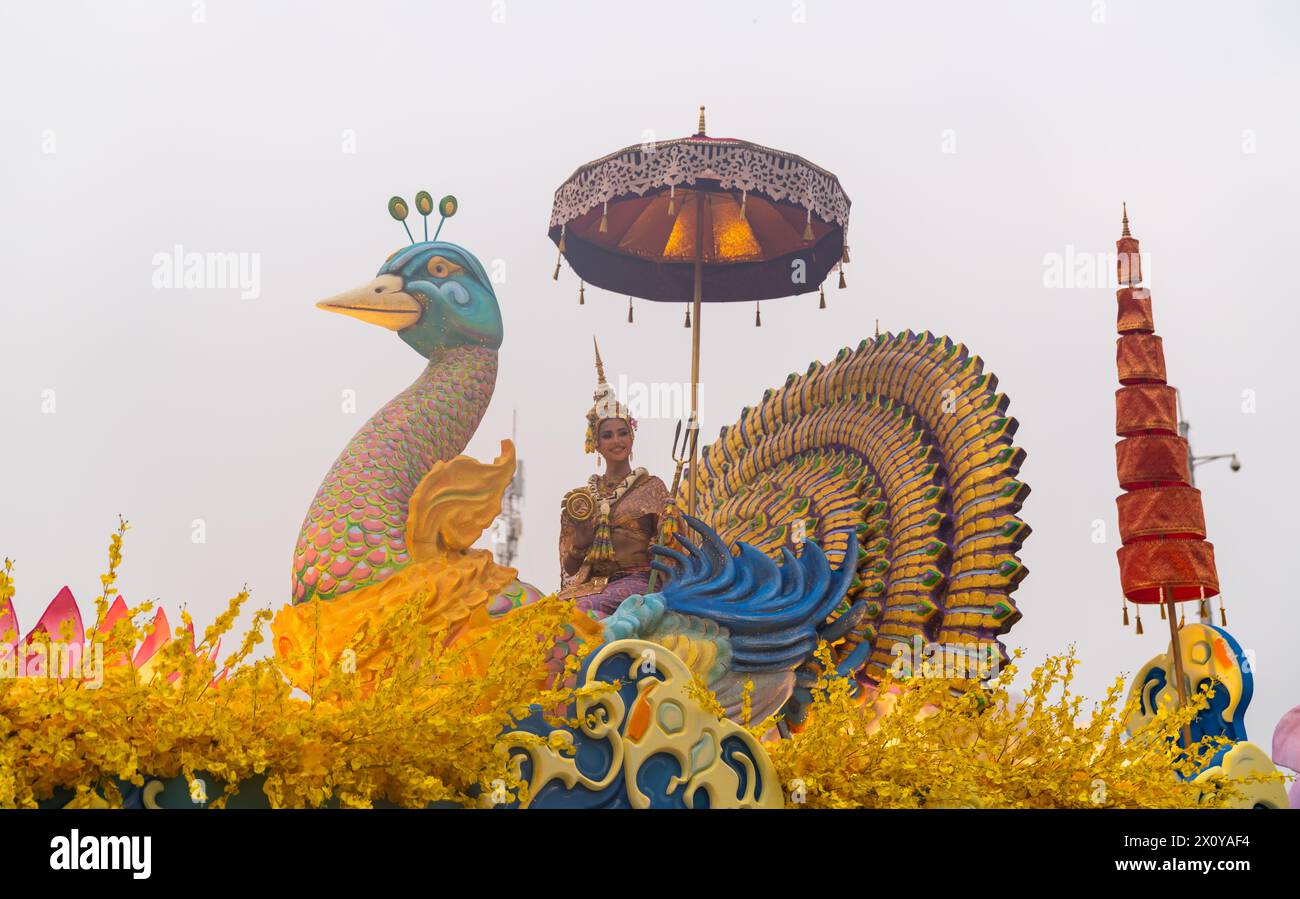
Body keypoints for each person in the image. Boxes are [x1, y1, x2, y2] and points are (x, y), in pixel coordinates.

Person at [556, 339, 668, 617]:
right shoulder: (581, 500)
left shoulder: (652, 488)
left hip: (639, 583)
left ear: (632, 436)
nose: (616, 441)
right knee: (548, 613)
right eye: (607, 435)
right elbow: (570, 569)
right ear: (596, 443)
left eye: (622, 433)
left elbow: (673, 551)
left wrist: (667, 535)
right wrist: (582, 538)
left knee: (581, 613)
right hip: (592, 585)